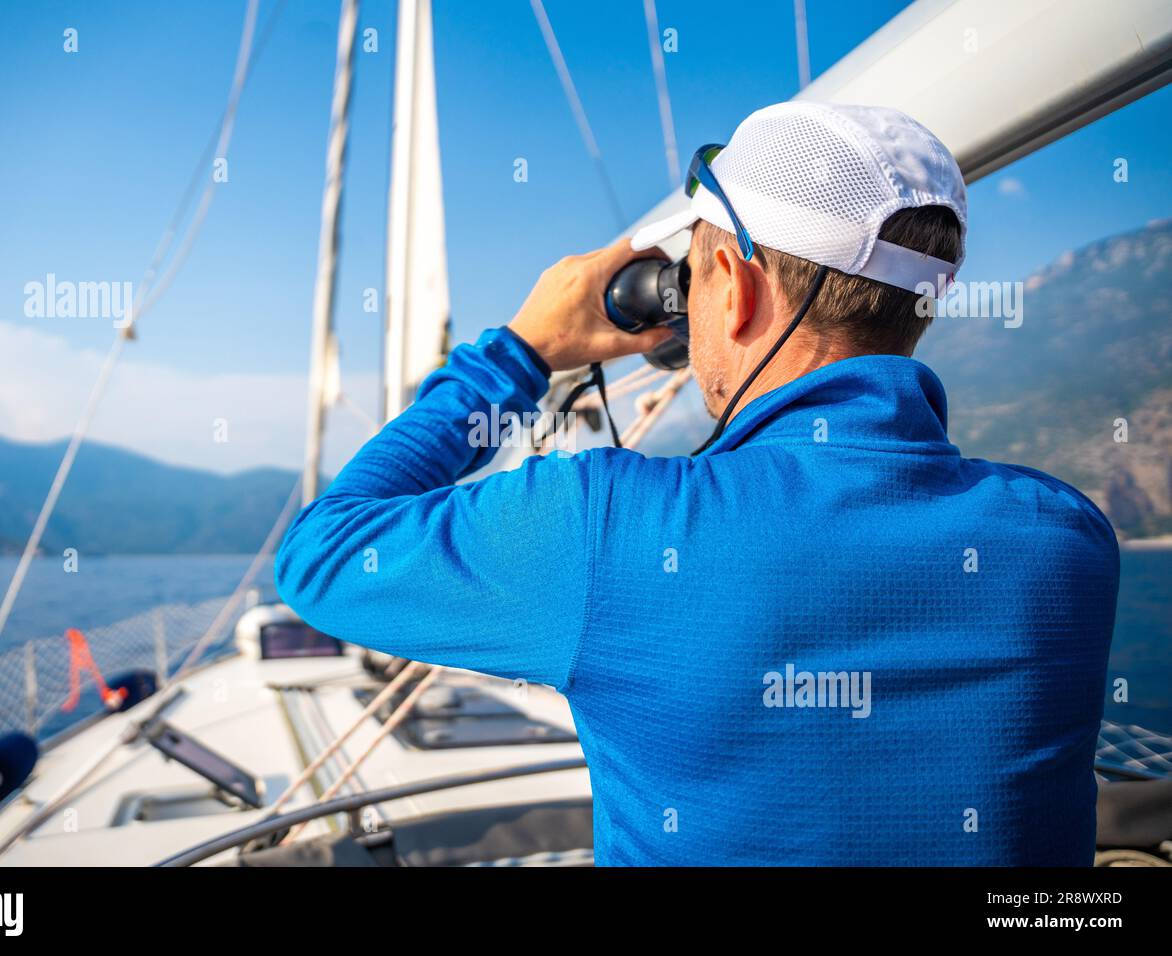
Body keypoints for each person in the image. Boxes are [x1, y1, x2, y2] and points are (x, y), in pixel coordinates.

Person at [275, 101, 1119, 865]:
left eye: (697, 272)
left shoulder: (607, 526)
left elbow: (322, 553)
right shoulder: (1067, 539)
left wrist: (519, 355)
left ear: (739, 291)